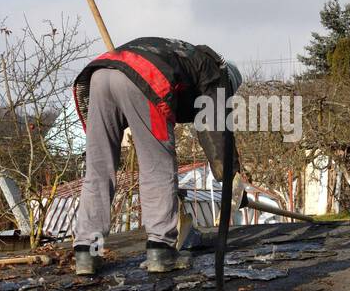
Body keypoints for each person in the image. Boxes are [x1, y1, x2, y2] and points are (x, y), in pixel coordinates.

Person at [71, 37, 242, 274]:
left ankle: (87, 253)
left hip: (100, 74)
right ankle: (161, 249)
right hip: (144, 77)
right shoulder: (217, 74)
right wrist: (231, 178)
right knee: (156, 164)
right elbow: (215, 131)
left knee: (99, 168)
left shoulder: (185, 57)